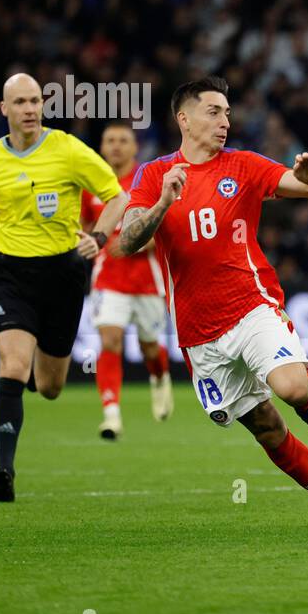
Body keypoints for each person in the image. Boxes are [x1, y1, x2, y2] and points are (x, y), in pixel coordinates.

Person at [116, 76, 308, 535]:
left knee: (291, 388)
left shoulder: (243, 165)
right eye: (214, 112)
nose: (225, 121)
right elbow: (127, 240)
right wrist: (165, 200)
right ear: (183, 119)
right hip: (198, 331)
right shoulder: (154, 176)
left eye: (227, 112)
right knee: (266, 428)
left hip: (251, 306)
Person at [0, 73, 129, 501]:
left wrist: (100, 237)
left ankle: (33, 368)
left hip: (64, 276)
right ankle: (4, 472)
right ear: (4, 109)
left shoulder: (67, 149)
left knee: (49, 387)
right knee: (11, 366)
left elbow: (117, 196)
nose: (30, 109)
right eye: (21, 102)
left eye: (36, 101)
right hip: (13, 276)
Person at [81, 120, 173, 439]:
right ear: (102, 148)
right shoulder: (91, 184)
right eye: (110, 140)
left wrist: (132, 241)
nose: (117, 146)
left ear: (135, 147)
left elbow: (163, 226)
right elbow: (84, 224)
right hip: (108, 278)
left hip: (147, 279)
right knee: (110, 342)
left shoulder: (147, 180)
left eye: (123, 140)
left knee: (150, 348)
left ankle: (160, 377)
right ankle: (111, 415)